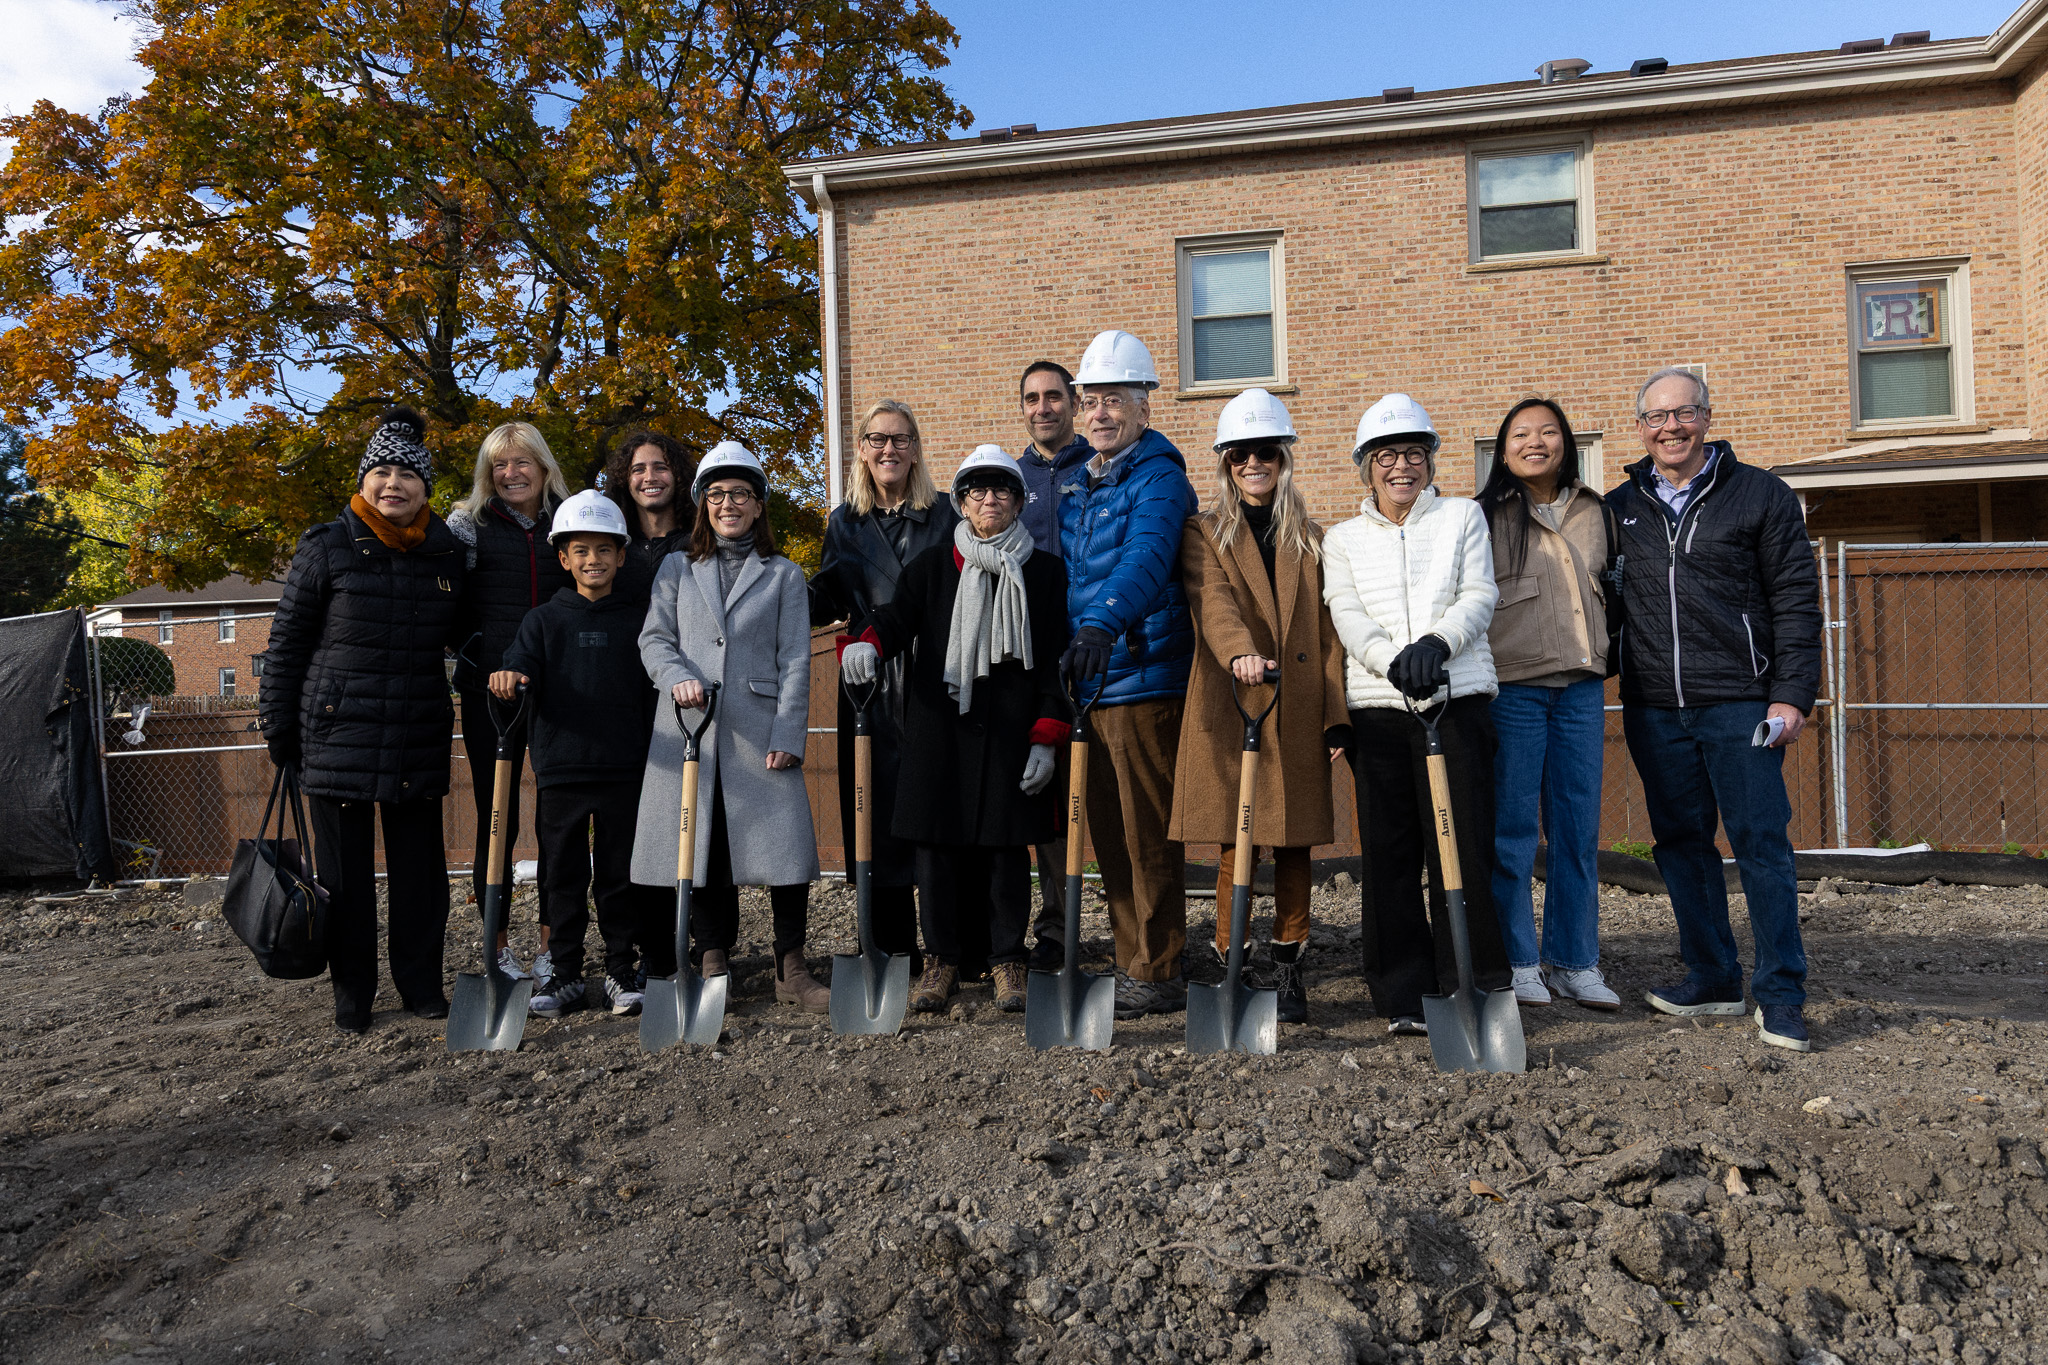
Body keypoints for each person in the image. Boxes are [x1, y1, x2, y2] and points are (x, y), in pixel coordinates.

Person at [1606, 367, 1823, 1052]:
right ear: (1640, 427)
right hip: (1655, 708)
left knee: (1761, 845)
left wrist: (1791, 694)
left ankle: (1782, 992)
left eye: (1685, 413)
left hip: (1740, 703)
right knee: (1681, 845)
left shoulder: (1759, 494)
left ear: (1706, 417)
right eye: (1657, 417)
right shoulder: (1620, 508)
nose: (1671, 427)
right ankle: (1713, 976)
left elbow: (1795, 600)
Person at [839, 446, 1070, 1012]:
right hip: (940, 731)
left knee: (1005, 855)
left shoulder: (1044, 572)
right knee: (935, 855)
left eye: (1001, 491)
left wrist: (1046, 736)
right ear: (961, 503)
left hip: (1011, 734)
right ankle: (940, 961)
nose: (988, 499)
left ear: (1018, 502)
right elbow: (895, 620)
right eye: (976, 491)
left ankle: (1007, 962)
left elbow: (1054, 658)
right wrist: (866, 647)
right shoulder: (933, 568)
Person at [259, 407, 465, 1034]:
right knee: (343, 877)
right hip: (335, 736)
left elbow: (466, 636)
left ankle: (421, 985)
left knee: (420, 875)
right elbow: (287, 641)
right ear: (363, 480)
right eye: (381, 471)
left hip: (415, 733)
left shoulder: (447, 555)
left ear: (426, 488)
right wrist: (278, 724)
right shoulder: (327, 548)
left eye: (408, 473)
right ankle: (352, 993)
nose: (393, 483)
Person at [1322, 393, 1511, 1035]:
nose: (1400, 466)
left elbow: (1480, 592)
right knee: (1390, 851)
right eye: (1385, 455)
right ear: (1366, 466)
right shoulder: (1342, 539)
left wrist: (1437, 646)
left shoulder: (1462, 517)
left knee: (1460, 848)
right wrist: (1389, 660)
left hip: (1455, 704)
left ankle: (1474, 981)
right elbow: (1345, 613)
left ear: (1430, 460)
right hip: (1379, 709)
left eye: (1412, 453)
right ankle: (1402, 993)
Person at [1169, 389, 1349, 1025]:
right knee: (1233, 844)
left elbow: (1329, 635)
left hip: (1297, 706)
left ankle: (1289, 966)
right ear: (1225, 463)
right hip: (1233, 702)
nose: (1253, 462)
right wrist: (1241, 653)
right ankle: (1230, 961)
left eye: (1265, 452)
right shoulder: (1204, 532)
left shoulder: (1313, 538)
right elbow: (1210, 599)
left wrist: (1336, 715)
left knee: (1296, 844)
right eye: (1240, 454)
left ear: (1283, 458)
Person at [632, 442, 826, 1011]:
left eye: (740, 493)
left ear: (759, 504)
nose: (727, 503)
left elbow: (795, 658)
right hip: (690, 724)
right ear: (701, 504)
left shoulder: (784, 575)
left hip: (758, 725)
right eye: (716, 494)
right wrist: (675, 678)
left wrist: (790, 734)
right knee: (702, 843)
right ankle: (713, 955)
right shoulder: (676, 567)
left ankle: (791, 965)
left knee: (786, 848)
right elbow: (654, 638)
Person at [1056, 329, 1200, 1020]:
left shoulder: (1160, 477)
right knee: (1109, 835)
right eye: (1092, 401)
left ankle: (1161, 965)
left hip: (1144, 675)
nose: (1102, 412)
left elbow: (1146, 558)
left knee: (1148, 833)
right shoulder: (1082, 485)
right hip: (1095, 677)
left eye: (1116, 399)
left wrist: (1101, 624)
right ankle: (1129, 958)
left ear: (1144, 404)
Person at [491, 490, 661, 1019]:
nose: (593, 560)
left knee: (619, 875)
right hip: (561, 769)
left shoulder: (639, 621)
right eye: (581, 551)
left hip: (625, 768)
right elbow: (520, 665)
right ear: (563, 558)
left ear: (621, 555)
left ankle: (619, 968)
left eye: (604, 550)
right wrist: (510, 675)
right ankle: (564, 971)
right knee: (561, 875)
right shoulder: (542, 621)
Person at [1476, 398, 1621, 1011]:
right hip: (1513, 688)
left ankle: (1575, 961)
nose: (1536, 442)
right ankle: (1519, 960)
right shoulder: (1482, 516)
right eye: (1521, 434)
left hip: (1583, 688)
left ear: (1567, 442)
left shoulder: (1597, 510)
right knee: (1510, 833)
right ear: (1503, 448)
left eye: (1549, 432)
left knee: (1576, 830)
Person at [809, 400, 958, 969]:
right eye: (877, 440)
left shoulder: (947, 514)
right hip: (866, 681)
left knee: (938, 811)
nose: (888, 450)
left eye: (899, 439)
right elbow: (827, 591)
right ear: (863, 450)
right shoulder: (844, 520)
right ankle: (891, 945)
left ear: (916, 449)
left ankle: (952, 945)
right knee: (875, 810)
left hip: (933, 673)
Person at [447, 422, 572, 979]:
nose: (510, 473)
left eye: (522, 462)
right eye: (499, 464)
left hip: (560, 692)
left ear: (544, 468)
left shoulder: (568, 520)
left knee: (558, 822)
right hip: (488, 693)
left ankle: (554, 948)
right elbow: (444, 606)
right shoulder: (466, 526)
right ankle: (496, 948)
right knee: (497, 818)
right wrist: (477, 653)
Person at [1015, 360, 1090, 970]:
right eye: (1033, 399)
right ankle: (1055, 932)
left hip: (1100, 656)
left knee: (1105, 804)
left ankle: (1129, 931)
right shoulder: (1008, 482)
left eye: (1054, 397)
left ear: (1073, 402)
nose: (1044, 408)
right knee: (1042, 809)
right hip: (1032, 666)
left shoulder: (1100, 469)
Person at [603, 429, 698, 604]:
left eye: (661, 468)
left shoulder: (700, 545)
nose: (650, 477)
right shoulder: (610, 547)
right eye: (638, 469)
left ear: (678, 476)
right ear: (624, 480)